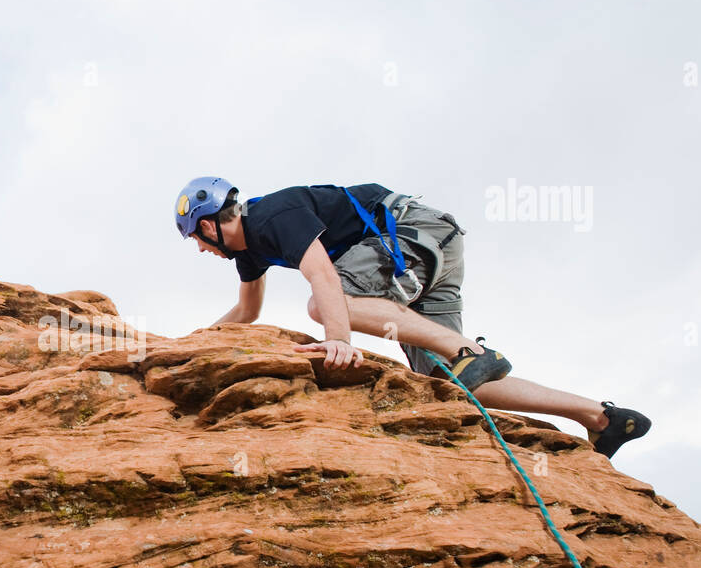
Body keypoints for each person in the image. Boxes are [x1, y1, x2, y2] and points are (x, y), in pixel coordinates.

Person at [174, 176, 651, 459]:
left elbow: (322, 273)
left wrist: (338, 337)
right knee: (458, 382)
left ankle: (467, 350)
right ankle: (600, 417)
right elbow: (247, 311)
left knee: (324, 303)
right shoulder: (249, 253)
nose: (197, 247)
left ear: (212, 221)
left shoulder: (273, 214)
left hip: (410, 231)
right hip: (431, 246)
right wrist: (183, 346)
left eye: (196, 236)